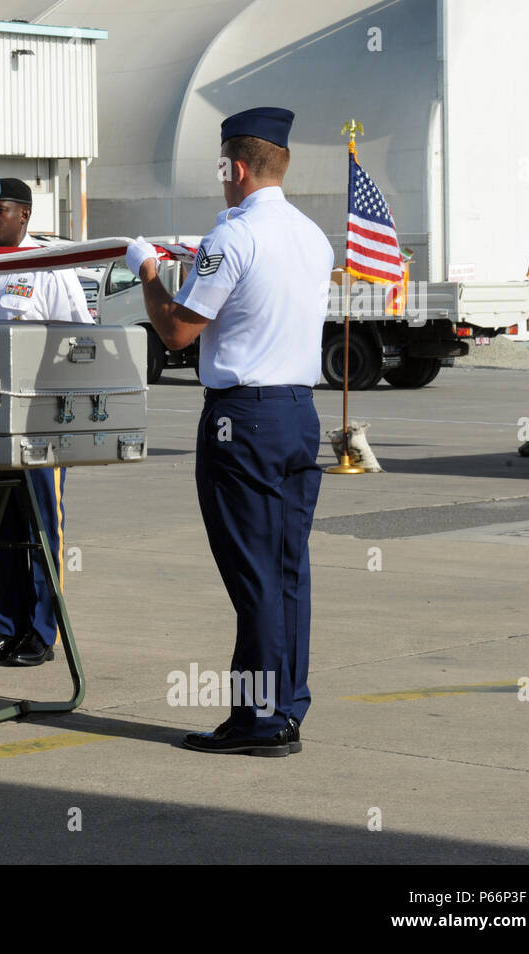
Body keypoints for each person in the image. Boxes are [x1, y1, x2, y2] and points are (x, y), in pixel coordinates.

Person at [128, 107, 333, 756]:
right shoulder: (313, 237)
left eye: (223, 168)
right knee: (286, 571)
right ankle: (285, 707)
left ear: (236, 167)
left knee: (255, 577)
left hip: (242, 420)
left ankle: (260, 719)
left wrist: (148, 271)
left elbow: (178, 331)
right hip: (298, 413)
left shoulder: (231, 237)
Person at [0, 177, 93, 667]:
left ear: (25, 216)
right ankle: (5, 627)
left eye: (0, 210)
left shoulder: (50, 270)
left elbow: (80, 343)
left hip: (37, 422)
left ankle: (41, 632)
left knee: (39, 528)